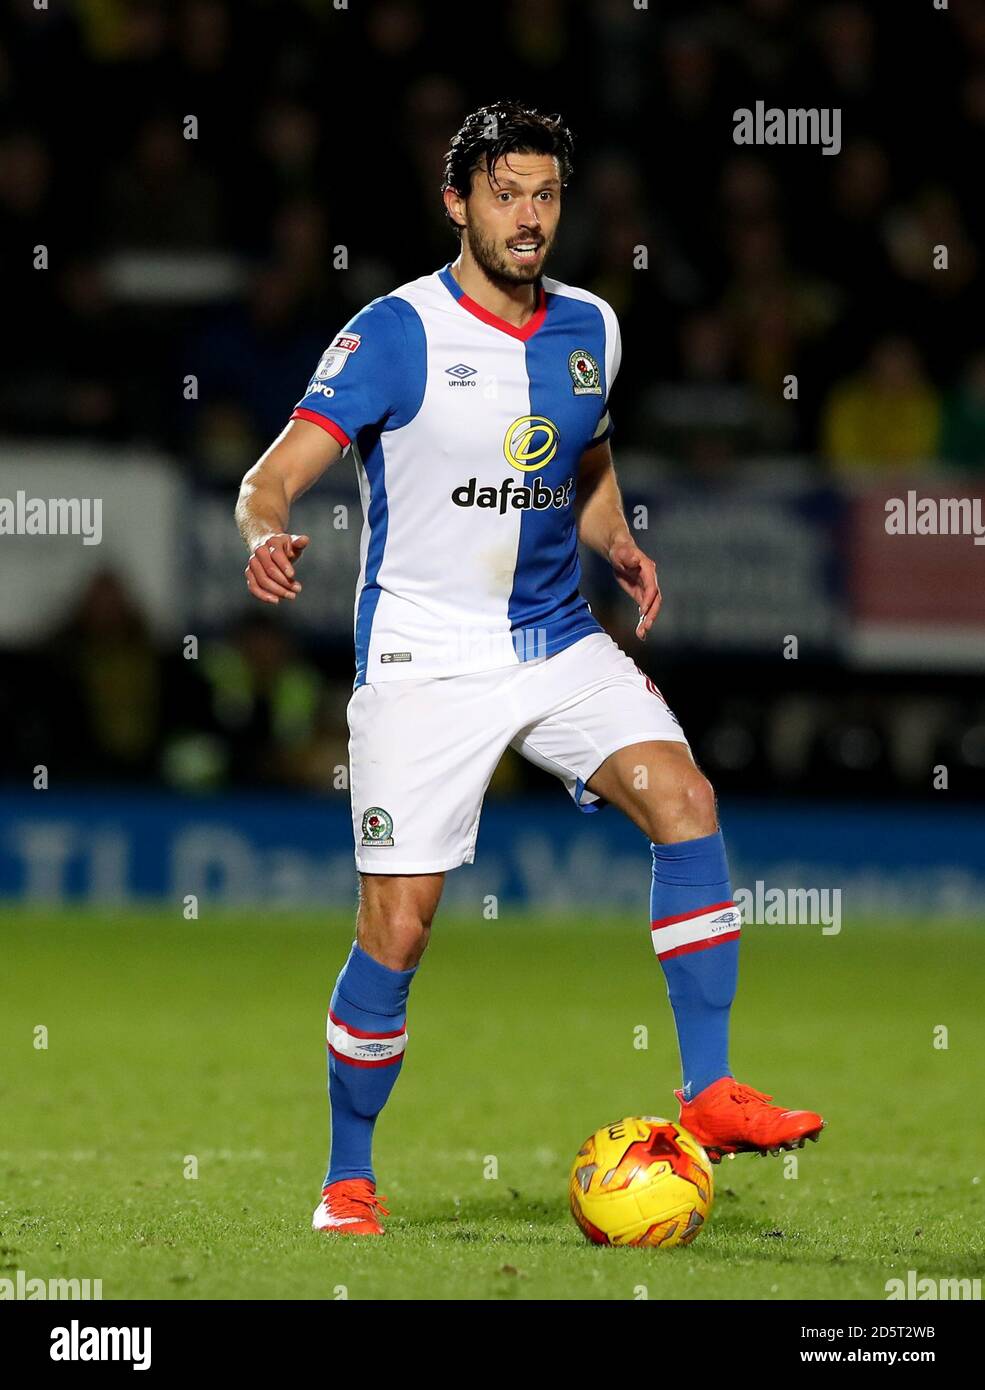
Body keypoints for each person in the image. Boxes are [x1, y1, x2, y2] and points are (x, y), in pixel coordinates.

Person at [235, 101, 824, 1237]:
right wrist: (264, 530)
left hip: (555, 635)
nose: (529, 216)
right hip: (424, 654)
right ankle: (347, 1174)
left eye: (546, 194)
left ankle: (705, 1089)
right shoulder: (394, 334)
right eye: (505, 193)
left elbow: (587, 454)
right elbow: (274, 471)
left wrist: (615, 538)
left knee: (686, 799)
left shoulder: (593, 325)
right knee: (397, 929)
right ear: (456, 202)